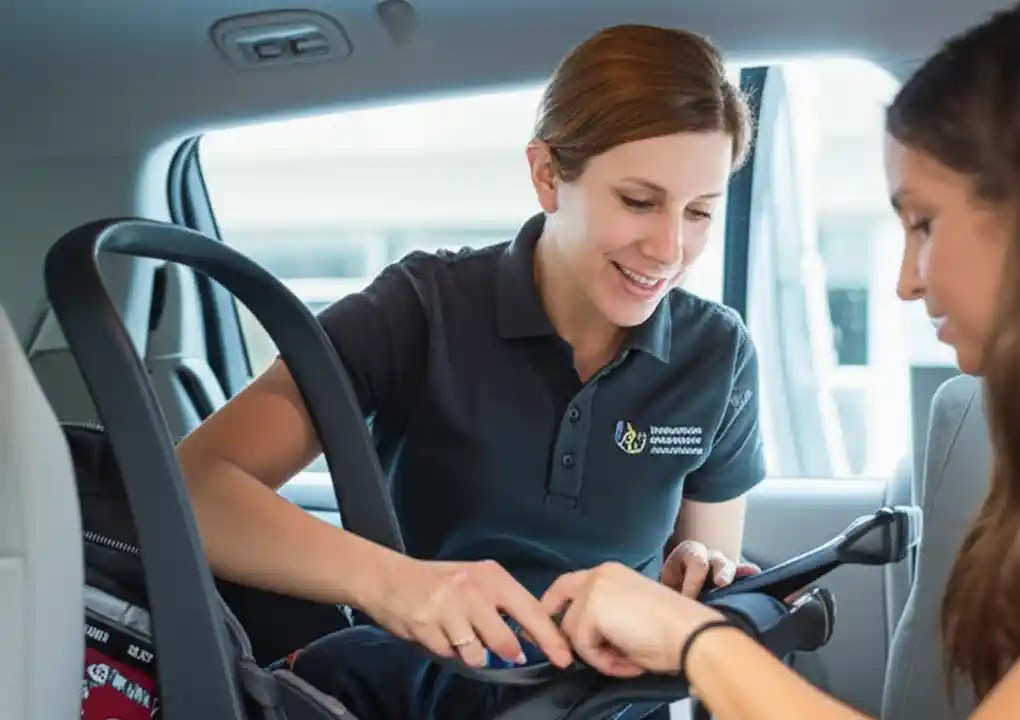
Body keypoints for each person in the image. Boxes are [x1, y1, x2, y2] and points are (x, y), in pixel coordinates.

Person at [175, 23, 766, 719]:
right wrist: (396, 585)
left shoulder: (717, 354)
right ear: (548, 175)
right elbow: (192, 485)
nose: (671, 248)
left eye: (699, 212)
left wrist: (695, 571)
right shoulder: (421, 308)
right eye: (639, 201)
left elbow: (705, 558)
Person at [540, 1, 1020, 718]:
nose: (904, 281)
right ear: (547, 177)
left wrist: (698, 640)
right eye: (641, 201)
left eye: (924, 222)